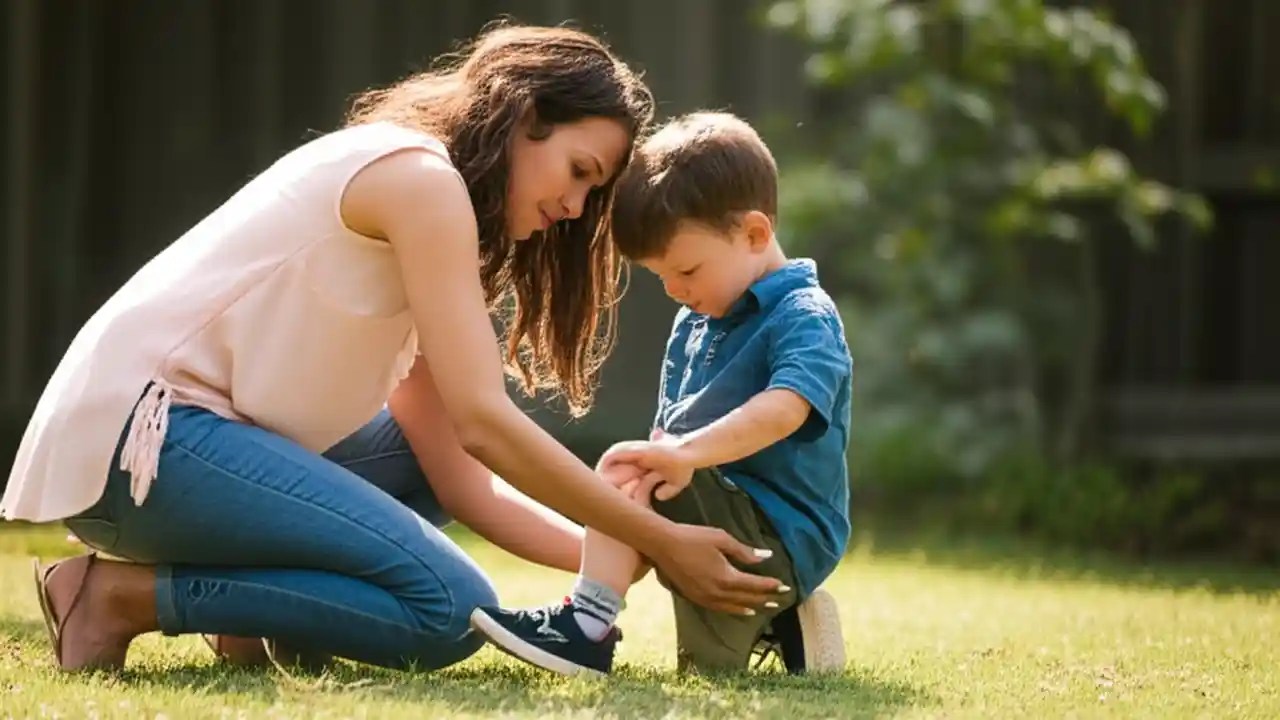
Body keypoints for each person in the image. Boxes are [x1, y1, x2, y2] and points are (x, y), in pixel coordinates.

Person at [5, 25, 787, 674]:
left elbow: (458, 473)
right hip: (143, 444)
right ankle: (117, 597)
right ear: (524, 116)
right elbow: (486, 421)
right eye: (579, 173)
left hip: (197, 447)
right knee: (449, 613)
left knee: (418, 470)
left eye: (592, 194)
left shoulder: (440, 215)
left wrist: (617, 565)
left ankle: (245, 624)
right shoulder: (419, 181)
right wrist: (659, 537)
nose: (574, 208)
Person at [469, 112, 853, 676]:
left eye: (688, 270)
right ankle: (781, 622)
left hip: (781, 530)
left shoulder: (803, 316)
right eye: (660, 278)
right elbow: (668, 434)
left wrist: (683, 454)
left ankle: (586, 626)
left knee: (633, 468)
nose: (676, 290)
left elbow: (788, 407)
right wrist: (669, 456)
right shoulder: (696, 319)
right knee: (706, 668)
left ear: (754, 234)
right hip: (710, 510)